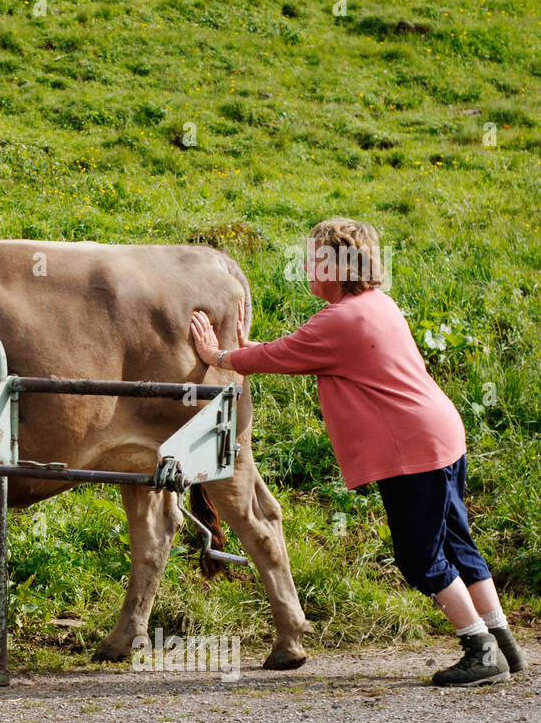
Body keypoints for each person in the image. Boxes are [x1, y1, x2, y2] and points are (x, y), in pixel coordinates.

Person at [189, 217, 525, 687]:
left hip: (410, 450)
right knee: (456, 543)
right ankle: (504, 643)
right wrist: (248, 349)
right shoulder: (376, 305)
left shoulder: (339, 320)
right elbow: (289, 351)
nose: (306, 266)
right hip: (440, 435)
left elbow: (278, 357)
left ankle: (480, 649)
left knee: (420, 556)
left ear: (335, 268)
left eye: (313, 259)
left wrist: (218, 357)